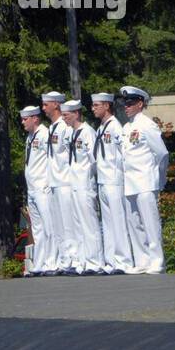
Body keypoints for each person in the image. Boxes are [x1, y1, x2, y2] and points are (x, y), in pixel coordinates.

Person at [118, 85, 168, 274]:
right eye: (125, 103)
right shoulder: (127, 127)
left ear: (140, 104)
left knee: (150, 222)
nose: (126, 107)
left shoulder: (147, 125)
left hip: (146, 180)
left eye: (130, 103)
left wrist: (159, 178)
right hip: (130, 181)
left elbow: (162, 154)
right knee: (134, 223)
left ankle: (157, 260)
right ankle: (142, 259)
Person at [90, 92, 135, 275]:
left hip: (114, 180)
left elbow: (121, 153)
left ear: (107, 106)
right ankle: (111, 260)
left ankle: (123, 260)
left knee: (118, 221)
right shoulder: (101, 128)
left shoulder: (115, 126)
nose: (93, 109)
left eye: (97, 105)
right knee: (107, 223)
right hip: (103, 179)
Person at [63, 100, 105, 274]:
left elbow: (94, 160)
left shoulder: (87, 132)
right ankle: (83, 260)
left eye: (67, 115)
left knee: (89, 223)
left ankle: (95, 261)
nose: (64, 118)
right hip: (74, 183)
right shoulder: (73, 133)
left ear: (76, 114)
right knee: (78, 224)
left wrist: (88, 178)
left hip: (84, 183)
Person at [42, 90, 77, 272]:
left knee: (68, 224)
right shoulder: (52, 128)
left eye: (46, 104)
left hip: (65, 182)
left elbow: (71, 156)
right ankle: (64, 260)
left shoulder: (65, 127)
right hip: (54, 182)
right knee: (58, 226)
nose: (43, 108)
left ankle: (73, 260)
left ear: (56, 104)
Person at [19, 106, 55, 275]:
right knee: (38, 229)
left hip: (43, 187)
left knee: (49, 226)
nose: (22, 122)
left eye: (25, 119)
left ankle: (52, 261)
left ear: (35, 118)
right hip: (32, 189)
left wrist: (49, 183)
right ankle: (40, 262)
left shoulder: (45, 134)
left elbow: (51, 159)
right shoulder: (30, 137)